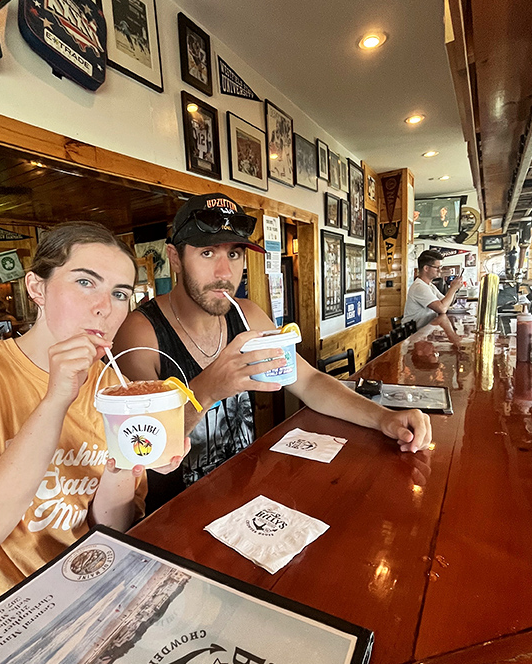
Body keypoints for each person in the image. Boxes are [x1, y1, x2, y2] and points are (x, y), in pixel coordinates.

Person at [0, 221, 184, 655]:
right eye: (85, 282)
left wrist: (125, 463)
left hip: (84, 609)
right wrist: (56, 399)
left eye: (121, 293)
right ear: (37, 288)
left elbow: (109, 529)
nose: (104, 308)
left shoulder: (111, 387)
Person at [114, 193, 432, 513]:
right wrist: (206, 390)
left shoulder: (247, 315)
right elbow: (142, 446)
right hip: (173, 514)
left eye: (234, 254)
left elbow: (309, 382)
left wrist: (384, 418)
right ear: (174, 257)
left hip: (246, 495)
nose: (224, 272)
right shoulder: (139, 332)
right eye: (207, 253)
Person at [403, 250, 463, 342]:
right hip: (414, 337)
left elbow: (447, 303)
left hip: (425, 333)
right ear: (426, 268)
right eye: (437, 267)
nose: (440, 270)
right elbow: (442, 309)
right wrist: (453, 289)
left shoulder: (429, 285)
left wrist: (454, 288)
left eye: (440, 267)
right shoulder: (419, 287)